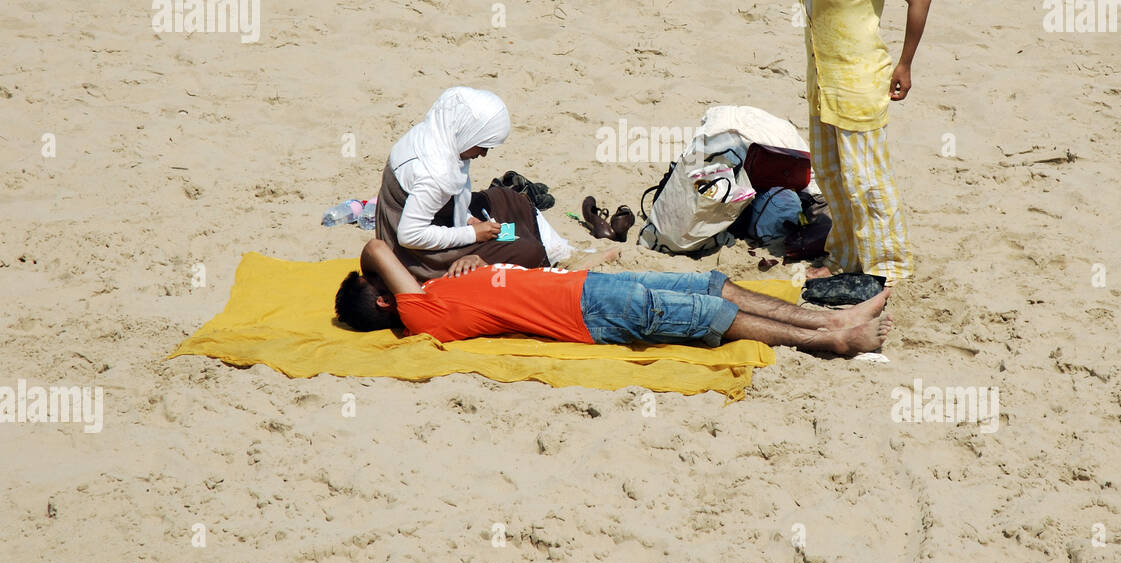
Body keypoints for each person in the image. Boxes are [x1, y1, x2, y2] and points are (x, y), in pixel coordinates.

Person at [336, 239, 893, 357]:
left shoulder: (432, 297)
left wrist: (477, 263)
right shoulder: (416, 315)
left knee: (712, 286)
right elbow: (375, 245)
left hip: (584, 287)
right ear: (387, 302)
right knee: (709, 314)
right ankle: (836, 340)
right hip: (591, 311)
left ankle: (832, 316)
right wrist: (379, 279)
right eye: (382, 287)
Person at [783, 0, 932, 287]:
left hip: (859, 81)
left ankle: (887, 266)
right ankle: (845, 255)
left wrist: (905, 63)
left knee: (867, 181)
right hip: (822, 81)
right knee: (831, 175)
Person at [374, 87, 571, 280]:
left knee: (507, 198)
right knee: (529, 252)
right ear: (468, 132)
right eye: (483, 145)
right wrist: (472, 233)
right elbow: (410, 236)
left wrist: (466, 218)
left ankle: (558, 252)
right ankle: (548, 263)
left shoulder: (436, 133)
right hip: (418, 259)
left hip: (433, 218)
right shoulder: (435, 173)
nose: (484, 154)